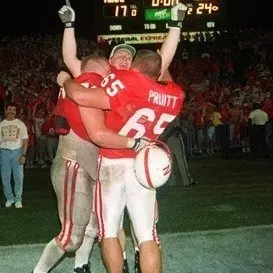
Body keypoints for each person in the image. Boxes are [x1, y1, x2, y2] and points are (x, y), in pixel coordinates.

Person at [58, 3, 187, 272]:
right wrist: (69, 26)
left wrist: (64, 80)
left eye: (129, 56)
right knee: (125, 229)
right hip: (128, 158)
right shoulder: (106, 77)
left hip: (130, 159)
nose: (125, 59)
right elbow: (72, 60)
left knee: (128, 230)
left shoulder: (135, 80)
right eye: (119, 56)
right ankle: (128, 260)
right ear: (107, 63)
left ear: (136, 65)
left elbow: (162, 60)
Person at [32, 55, 148, 273]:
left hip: (89, 165)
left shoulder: (83, 84)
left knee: (93, 228)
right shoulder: (91, 84)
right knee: (71, 237)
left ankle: (81, 266)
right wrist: (135, 142)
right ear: (102, 70)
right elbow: (98, 134)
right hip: (74, 162)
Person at [0, 102, 28, 208]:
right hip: (4, 153)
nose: (12, 112)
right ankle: (9, 198)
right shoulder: (1, 124)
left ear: (16, 112)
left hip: (17, 152)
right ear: (6, 111)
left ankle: (18, 199)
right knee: (5, 178)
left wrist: (23, 155)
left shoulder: (20, 124)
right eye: (10, 109)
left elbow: (25, 140)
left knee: (19, 177)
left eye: (14, 110)